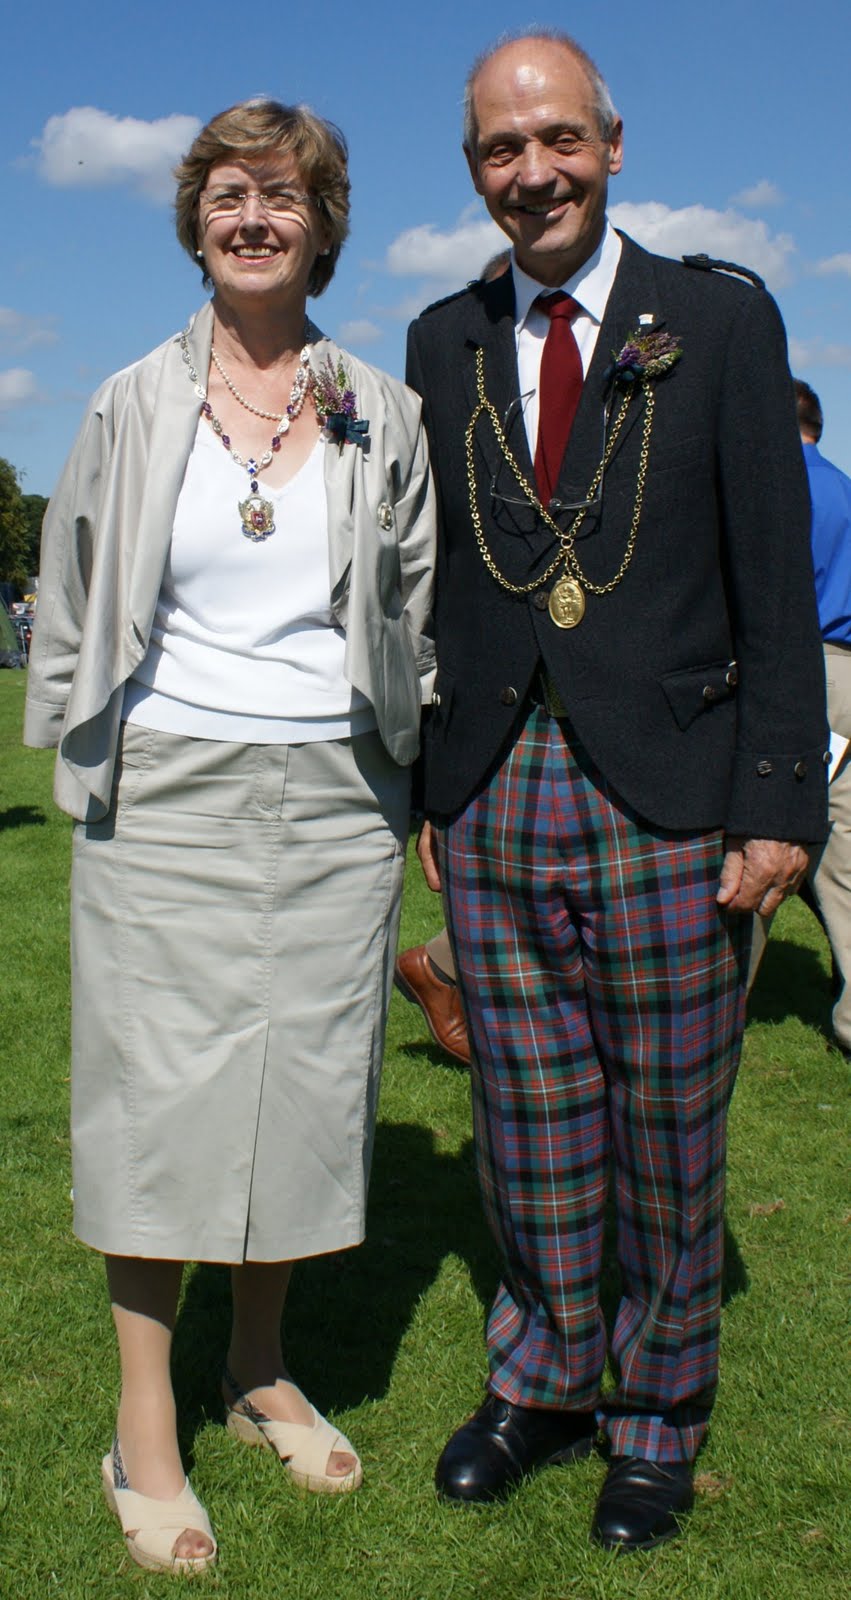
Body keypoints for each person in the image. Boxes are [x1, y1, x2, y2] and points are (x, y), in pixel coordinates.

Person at [406, 31, 828, 1551]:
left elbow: (774, 584)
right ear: (474, 171)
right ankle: (541, 1382)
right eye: (501, 153)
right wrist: (431, 796)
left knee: (664, 1128)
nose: (532, 175)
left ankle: (654, 1415)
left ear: (612, 142)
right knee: (521, 1116)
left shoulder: (714, 321)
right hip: (496, 782)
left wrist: (779, 796)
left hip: (676, 789)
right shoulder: (438, 339)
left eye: (557, 141)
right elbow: (445, 581)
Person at [24, 97, 434, 1575]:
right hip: (168, 791)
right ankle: (145, 1423)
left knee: (304, 1091)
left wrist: (412, 764)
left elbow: (410, 604)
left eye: (282, 195)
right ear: (196, 221)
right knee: (156, 1100)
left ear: (323, 226)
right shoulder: (132, 399)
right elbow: (74, 587)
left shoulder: (378, 411)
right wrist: (78, 759)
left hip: (335, 793)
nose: (252, 216)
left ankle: (254, 1367)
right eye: (226, 194)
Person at [749, 380, 851, 1043]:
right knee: (842, 844)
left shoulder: (776, 490)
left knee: (752, 824)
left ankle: (700, 1002)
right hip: (844, 667)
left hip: (790, 666)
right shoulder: (843, 486)